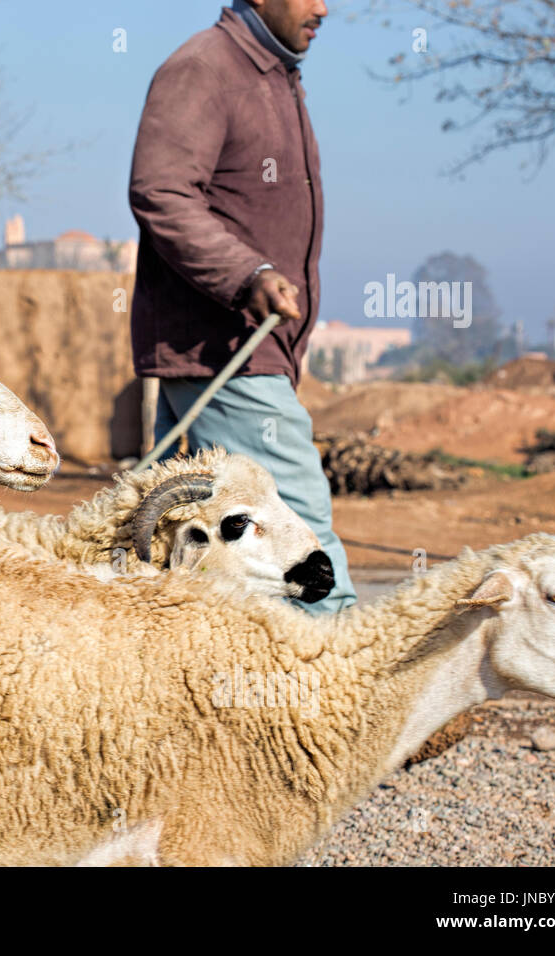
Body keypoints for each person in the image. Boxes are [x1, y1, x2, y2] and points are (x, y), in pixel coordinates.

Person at [128, 0, 354, 613]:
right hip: (225, 347)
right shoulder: (206, 67)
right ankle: (347, 699)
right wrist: (246, 274)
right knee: (301, 540)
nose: (323, 8)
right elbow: (161, 191)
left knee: (189, 545)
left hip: (241, 347)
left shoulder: (273, 76)